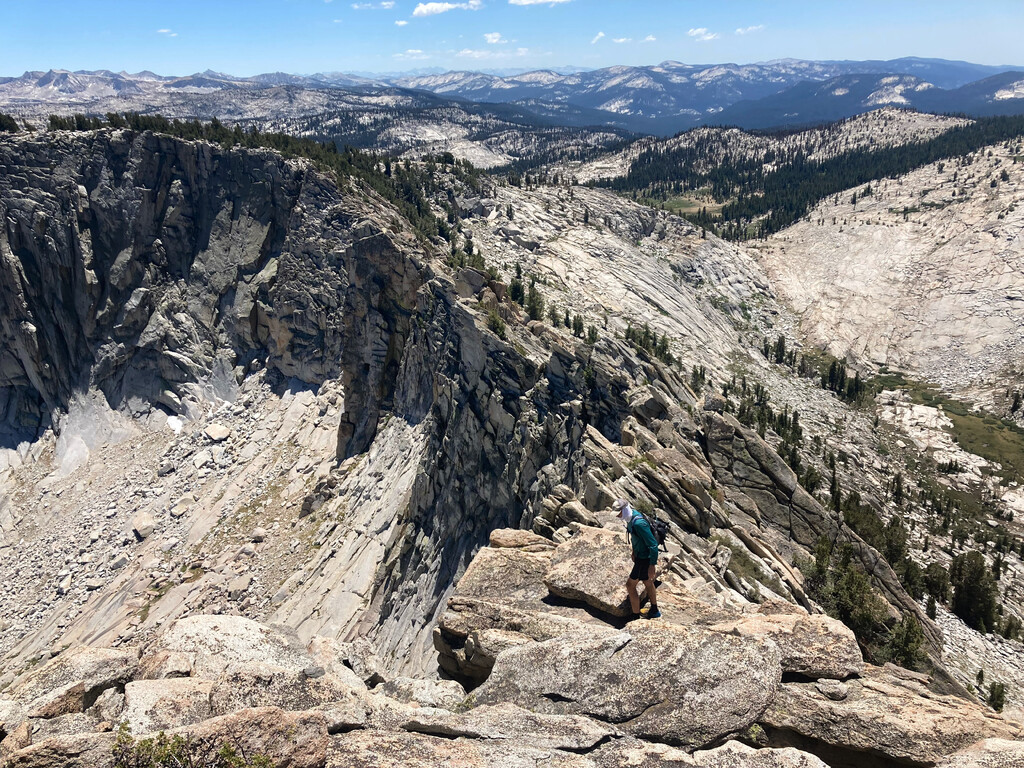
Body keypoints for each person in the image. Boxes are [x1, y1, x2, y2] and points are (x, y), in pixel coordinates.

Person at [614, 498, 661, 619]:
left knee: (630, 585)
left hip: (644, 558)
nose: (617, 516)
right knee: (647, 582)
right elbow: (636, 537)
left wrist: (652, 565)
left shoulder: (639, 523)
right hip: (640, 555)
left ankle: (635, 617)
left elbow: (653, 545)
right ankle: (654, 610)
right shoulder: (631, 517)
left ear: (624, 510)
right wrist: (634, 551)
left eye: (619, 513)